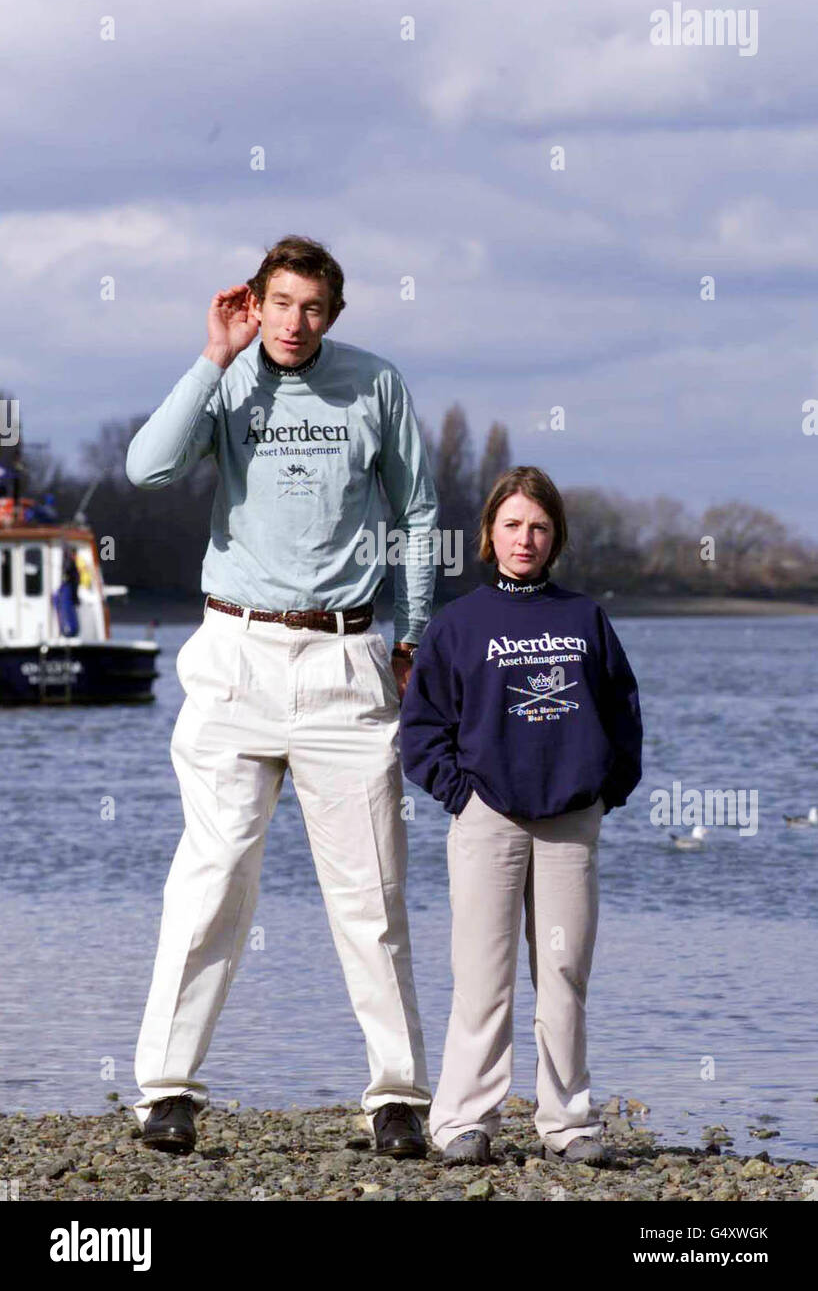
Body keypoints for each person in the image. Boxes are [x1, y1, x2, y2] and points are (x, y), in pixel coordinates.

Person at [125, 235, 438, 1158]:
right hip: (235, 654)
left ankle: (396, 1098)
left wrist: (415, 631)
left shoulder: (375, 384)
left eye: (312, 307)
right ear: (254, 302)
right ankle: (167, 1092)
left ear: (332, 315)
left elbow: (419, 512)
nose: (294, 322)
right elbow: (147, 467)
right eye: (280, 302)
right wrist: (212, 355)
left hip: (347, 659)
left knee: (370, 892)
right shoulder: (226, 378)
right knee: (214, 875)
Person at [399, 466, 642, 1166]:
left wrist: (603, 790)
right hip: (488, 822)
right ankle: (461, 1122)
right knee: (484, 975)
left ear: (555, 536)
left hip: (570, 823)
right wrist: (461, 795)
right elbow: (421, 730)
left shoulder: (584, 618)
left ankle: (568, 1123)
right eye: (512, 525)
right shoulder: (459, 624)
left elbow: (624, 713)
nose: (524, 538)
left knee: (563, 975)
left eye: (538, 526)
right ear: (489, 535)